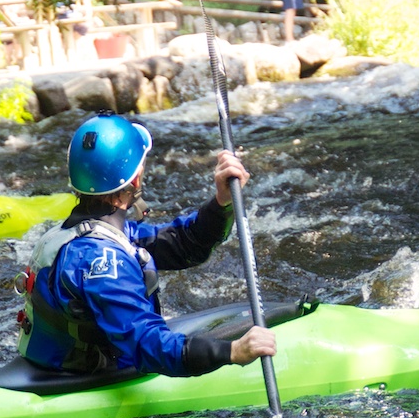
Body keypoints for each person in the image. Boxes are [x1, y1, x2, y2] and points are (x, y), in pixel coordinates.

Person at [17, 111, 277, 377]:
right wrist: (231, 352)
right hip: (85, 377)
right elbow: (146, 344)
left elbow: (184, 244)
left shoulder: (77, 235)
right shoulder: (103, 260)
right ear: (136, 179)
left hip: (55, 363)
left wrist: (222, 203)